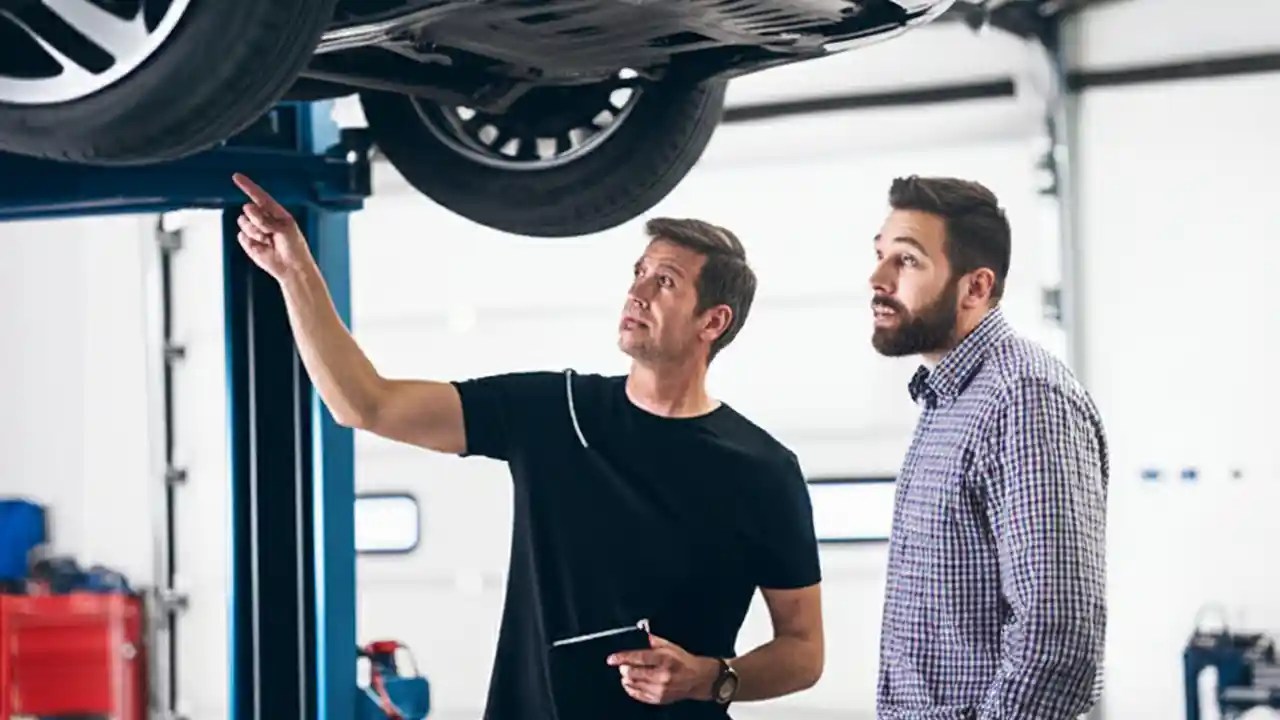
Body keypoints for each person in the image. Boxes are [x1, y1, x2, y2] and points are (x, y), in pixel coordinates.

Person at [229, 173, 825, 719]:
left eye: (664, 281)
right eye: (638, 273)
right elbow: (365, 403)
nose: (637, 292)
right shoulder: (552, 411)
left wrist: (709, 678)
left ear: (712, 322)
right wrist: (295, 272)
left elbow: (803, 649)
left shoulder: (761, 470)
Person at [867, 175, 1109, 720]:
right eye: (880, 255)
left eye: (906, 261)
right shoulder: (948, 398)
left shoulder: (1023, 399)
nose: (877, 278)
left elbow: (1057, 630)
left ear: (975, 288)